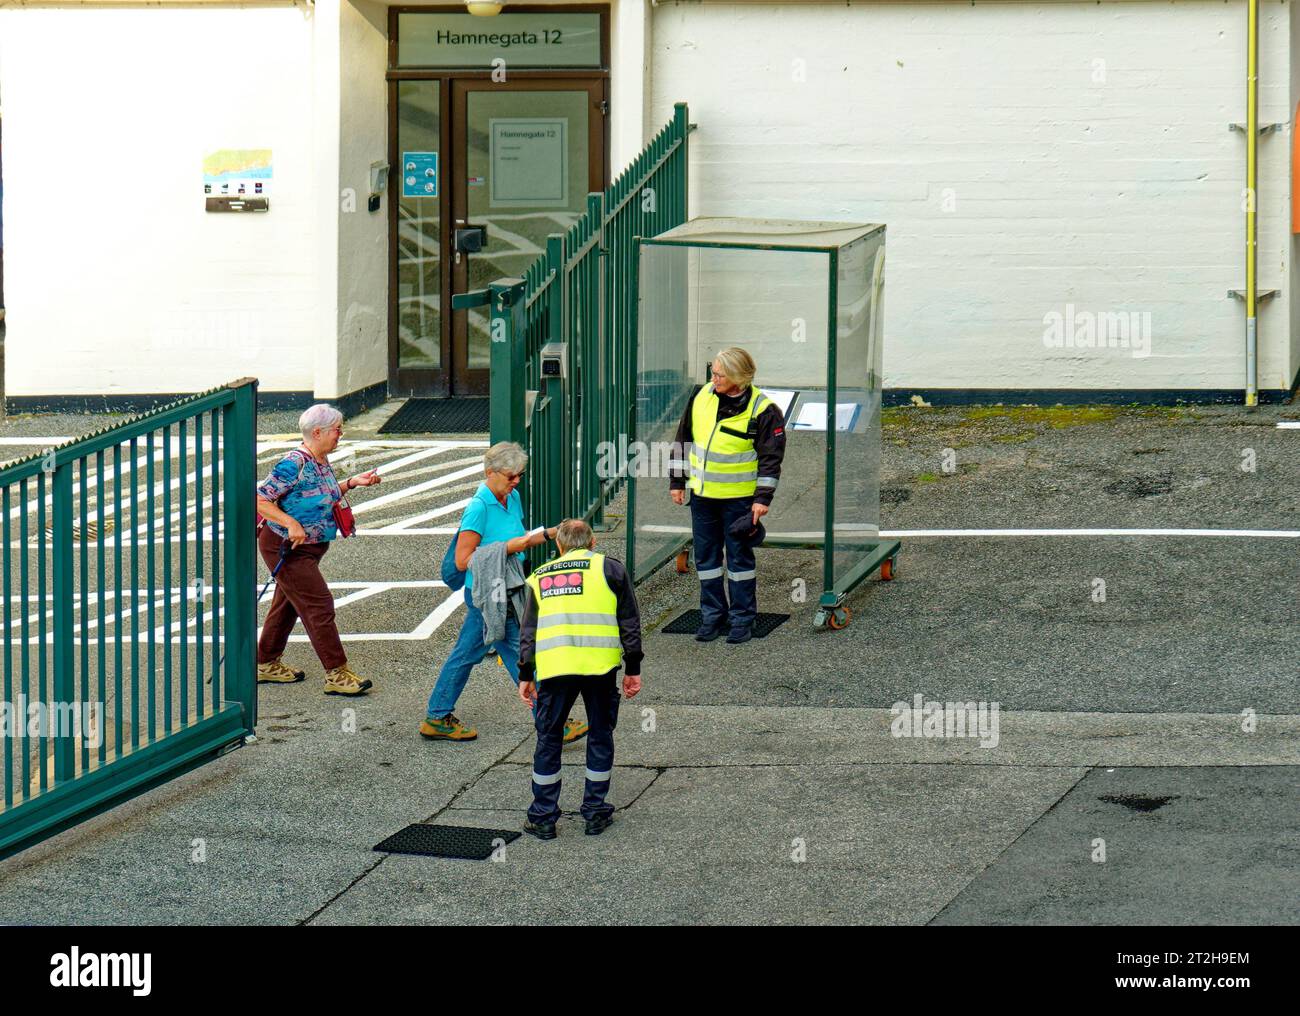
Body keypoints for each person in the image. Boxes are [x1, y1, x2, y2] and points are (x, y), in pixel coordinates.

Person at [420, 441, 589, 744]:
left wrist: (549, 533)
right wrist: (509, 548)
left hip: (504, 588)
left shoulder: (512, 498)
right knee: (518, 651)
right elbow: (463, 560)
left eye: (519, 475)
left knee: (470, 653)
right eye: (511, 476)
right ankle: (553, 721)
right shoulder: (478, 508)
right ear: (490, 472)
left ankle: (437, 716)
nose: (516, 481)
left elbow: (519, 537)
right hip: (489, 593)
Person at [517, 519, 642, 839]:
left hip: (556, 668)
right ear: (593, 542)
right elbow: (629, 621)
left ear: (559, 546)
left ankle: (543, 817)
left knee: (549, 738)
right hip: (600, 668)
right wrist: (633, 667)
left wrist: (525, 674)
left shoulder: (541, 576)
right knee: (600, 734)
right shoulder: (611, 570)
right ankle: (595, 812)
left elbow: (528, 631)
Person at [254, 403, 381, 695]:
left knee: (287, 604)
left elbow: (320, 494)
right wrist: (290, 523)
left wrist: (352, 483)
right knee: (319, 604)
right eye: (337, 429)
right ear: (317, 432)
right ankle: (336, 674)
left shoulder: (320, 459)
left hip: (309, 547)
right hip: (287, 547)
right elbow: (260, 499)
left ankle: (265, 662)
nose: (340, 434)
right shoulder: (293, 463)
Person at [669, 346, 786, 644]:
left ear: (738, 377)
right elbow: (683, 439)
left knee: (739, 561)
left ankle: (742, 618)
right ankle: (712, 616)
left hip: (740, 501)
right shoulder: (701, 396)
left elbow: (771, 459)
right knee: (706, 560)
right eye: (713, 372)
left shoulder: (764, 410)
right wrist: (677, 481)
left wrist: (762, 500)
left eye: (720, 375)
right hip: (703, 497)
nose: (714, 378)